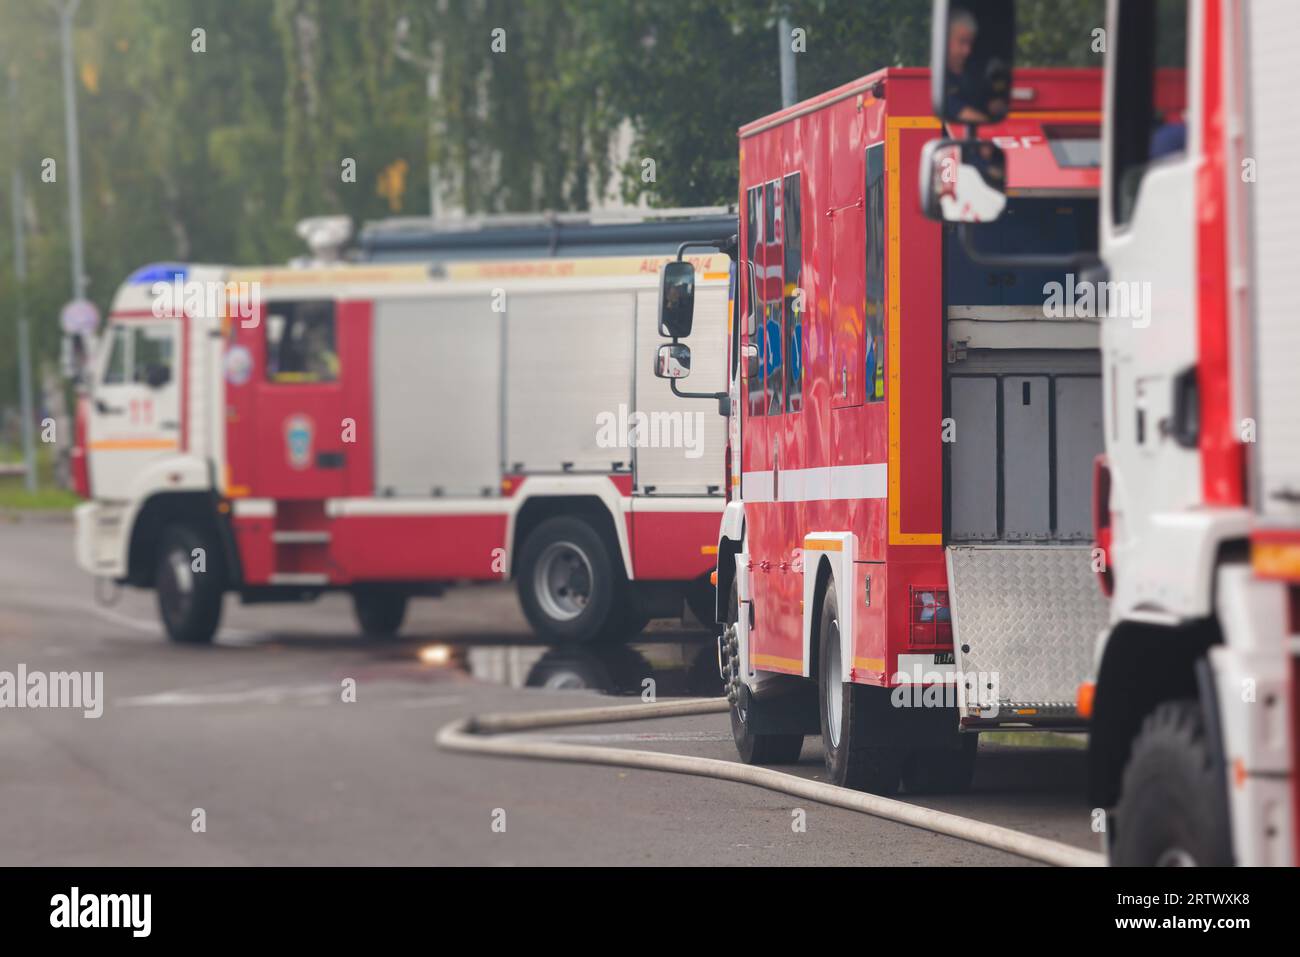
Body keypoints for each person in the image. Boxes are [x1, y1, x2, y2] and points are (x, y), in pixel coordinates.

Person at [945, 9, 991, 124]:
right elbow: (964, 114)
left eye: (970, 43)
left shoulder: (975, 73)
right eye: (962, 42)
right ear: (944, 40)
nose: (968, 51)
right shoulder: (938, 78)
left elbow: (990, 104)